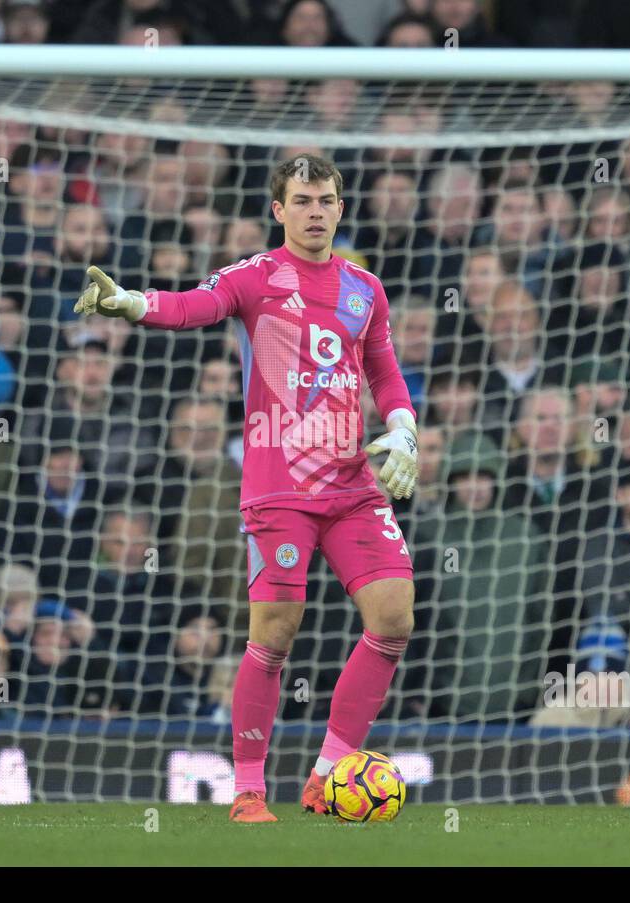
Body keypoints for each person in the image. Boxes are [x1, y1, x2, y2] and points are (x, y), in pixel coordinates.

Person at [73, 153, 419, 823]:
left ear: (341, 209)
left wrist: (403, 431)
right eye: (303, 200)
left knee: (395, 617)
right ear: (279, 210)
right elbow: (193, 307)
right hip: (278, 487)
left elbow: (385, 372)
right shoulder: (254, 278)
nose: (316, 211)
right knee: (276, 634)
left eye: (327, 200)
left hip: (351, 483)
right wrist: (130, 304)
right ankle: (249, 790)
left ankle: (325, 775)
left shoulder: (365, 289)